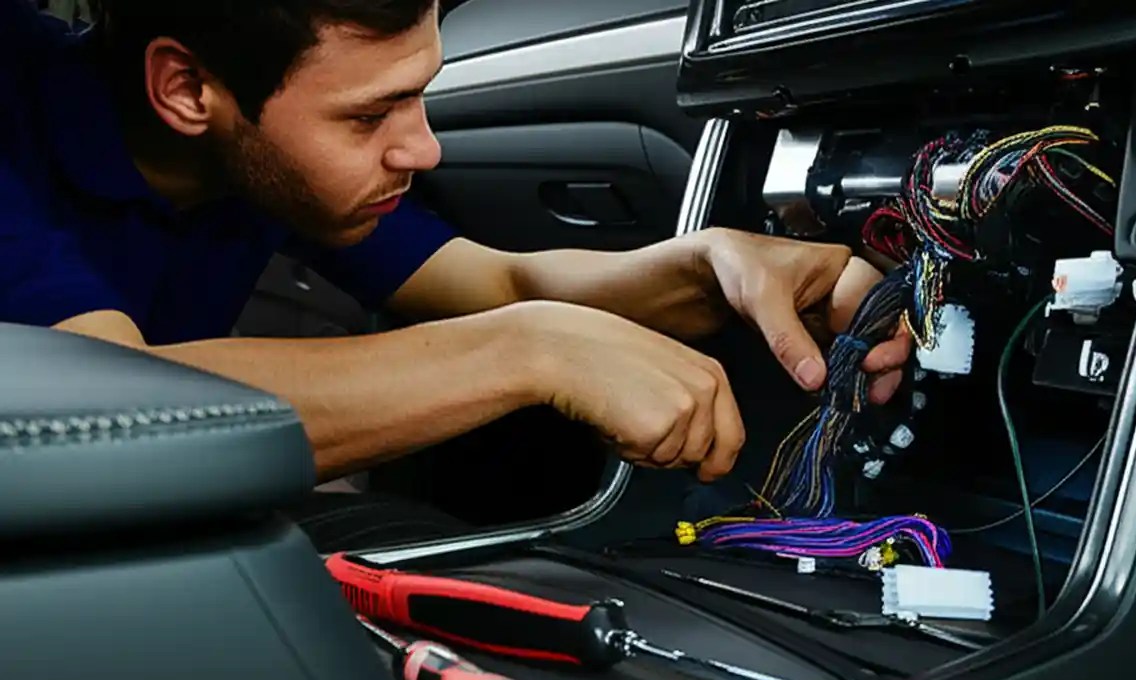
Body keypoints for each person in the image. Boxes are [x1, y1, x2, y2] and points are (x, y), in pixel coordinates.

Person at [0, 0, 910, 493]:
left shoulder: (258, 152)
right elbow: (98, 418)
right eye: (370, 116)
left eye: (419, 95)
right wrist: (530, 351)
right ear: (186, 90)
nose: (423, 149)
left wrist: (711, 269)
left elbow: (491, 280)